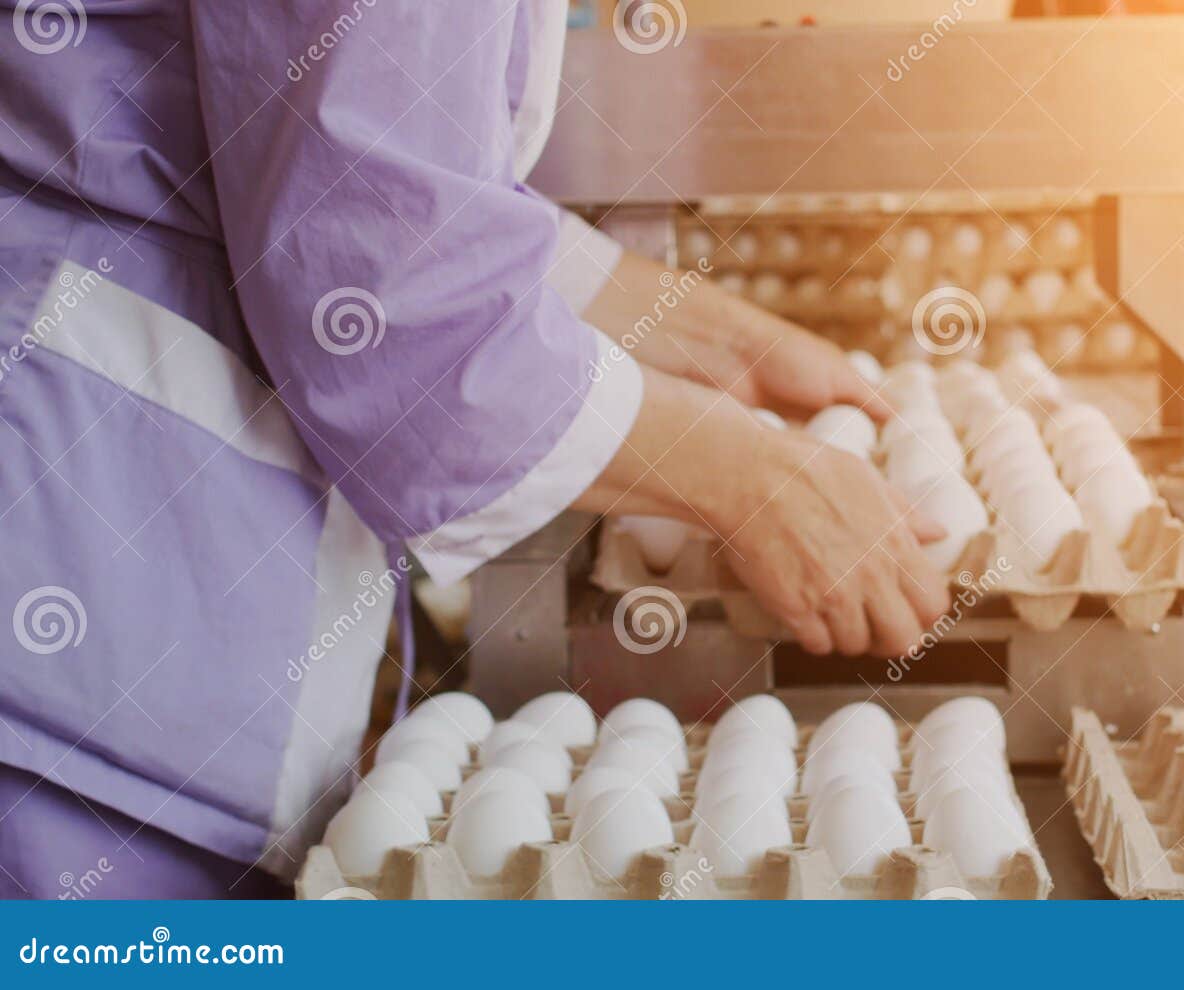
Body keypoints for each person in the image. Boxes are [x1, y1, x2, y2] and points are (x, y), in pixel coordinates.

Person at [0, 0, 948, 898]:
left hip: (134, 591)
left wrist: (723, 343)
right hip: (76, 612)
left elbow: (374, 178)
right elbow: (385, 303)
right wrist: (753, 479)